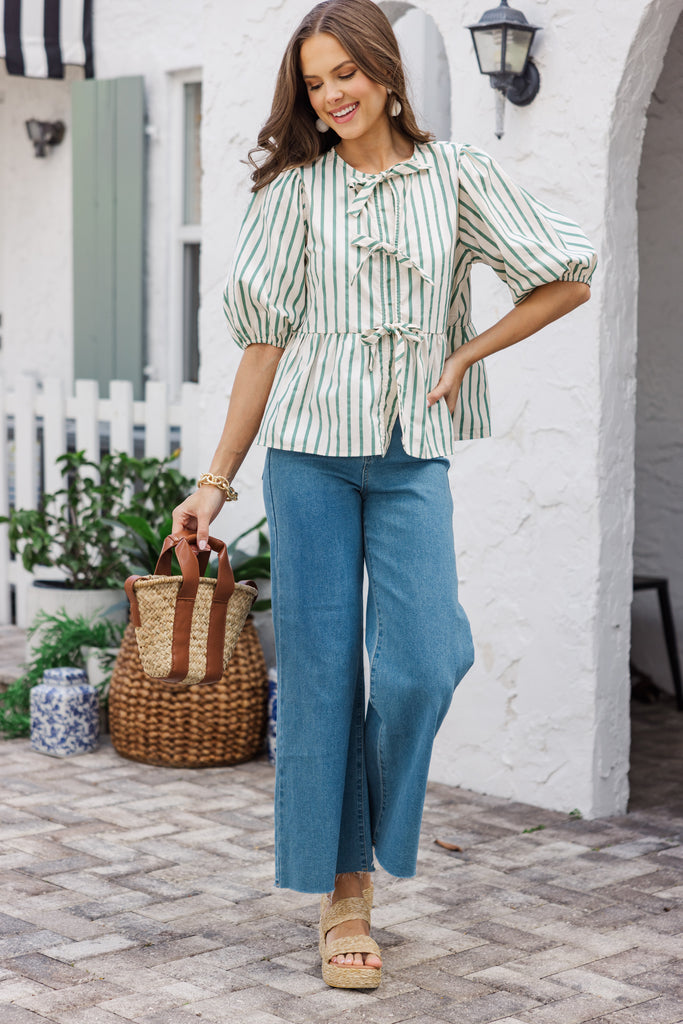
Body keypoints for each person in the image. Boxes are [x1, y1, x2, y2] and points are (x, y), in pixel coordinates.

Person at [171, 0, 597, 991]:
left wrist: (466, 351)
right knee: (322, 679)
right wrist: (213, 482)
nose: (332, 95)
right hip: (308, 458)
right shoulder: (292, 193)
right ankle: (345, 892)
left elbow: (565, 276)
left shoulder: (457, 175)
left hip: (411, 454)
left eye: (345, 73)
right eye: (314, 82)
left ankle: (351, 838)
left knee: (423, 661)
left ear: (384, 70)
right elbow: (263, 344)